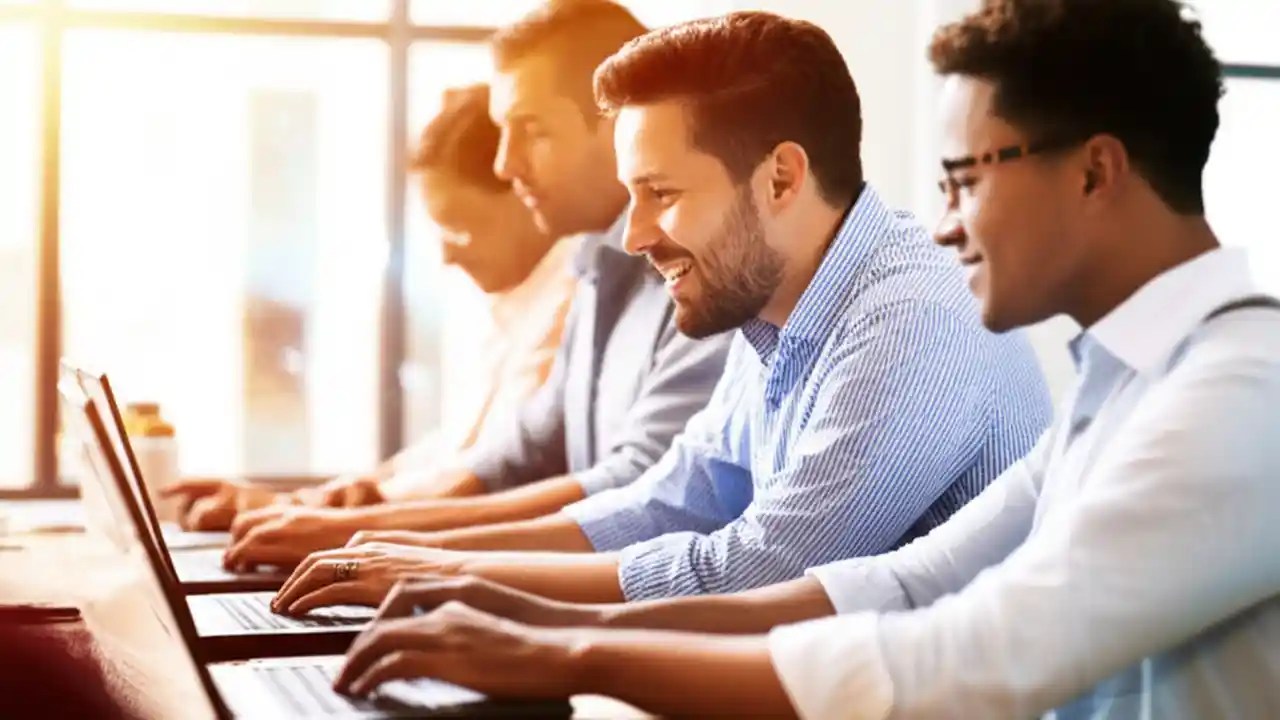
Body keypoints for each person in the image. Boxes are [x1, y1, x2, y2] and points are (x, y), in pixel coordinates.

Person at [324, 2, 1280, 718]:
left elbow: (973, 654)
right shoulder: (1127, 380)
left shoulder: (1242, 393)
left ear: (1094, 172)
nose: (944, 223)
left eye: (963, 180)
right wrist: (520, 612)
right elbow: (893, 587)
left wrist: (568, 653)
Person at [265, 7, 1051, 613]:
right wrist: (406, 551)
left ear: (781, 180)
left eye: (662, 195)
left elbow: (758, 568)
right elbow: (671, 498)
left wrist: (454, 571)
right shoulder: (771, 308)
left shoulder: (911, 313)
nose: (634, 236)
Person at [213, 0, 733, 569]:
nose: (506, 165)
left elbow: (645, 485)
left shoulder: (703, 273)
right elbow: (521, 448)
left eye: (530, 131)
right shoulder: (596, 264)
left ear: (620, 126)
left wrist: (365, 534)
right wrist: (345, 518)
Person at [161, 84, 578, 531]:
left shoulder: (570, 301)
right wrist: (306, 501)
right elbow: (451, 453)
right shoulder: (515, 308)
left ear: (526, 193)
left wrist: (320, 510)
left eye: (460, 229)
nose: (447, 257)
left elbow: (487, 477)